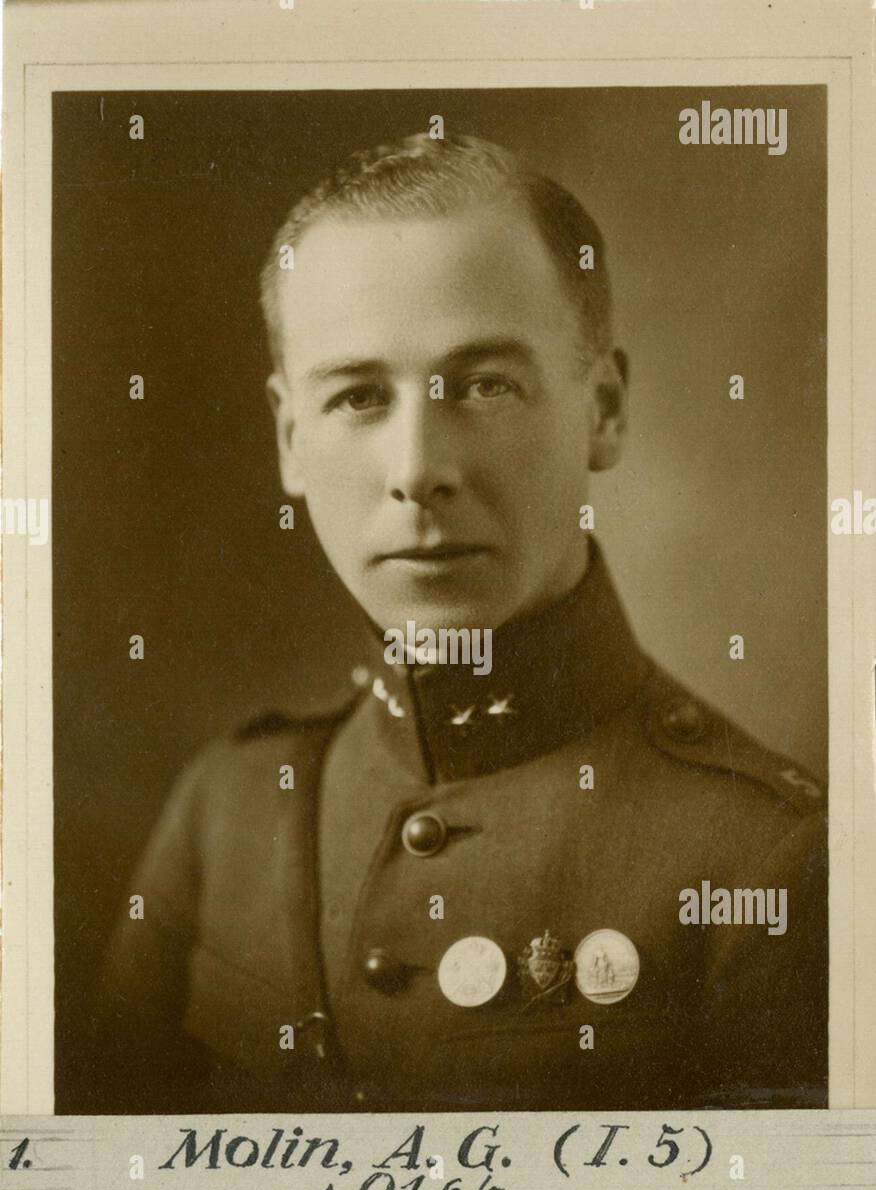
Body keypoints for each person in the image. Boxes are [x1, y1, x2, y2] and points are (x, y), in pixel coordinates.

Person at [101, 132, 827, 1113]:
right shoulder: (223, 809)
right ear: (289, 443)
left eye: (486, 384)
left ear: (603, 410)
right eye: (358, 396)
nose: (417, 468)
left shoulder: (773, 861)